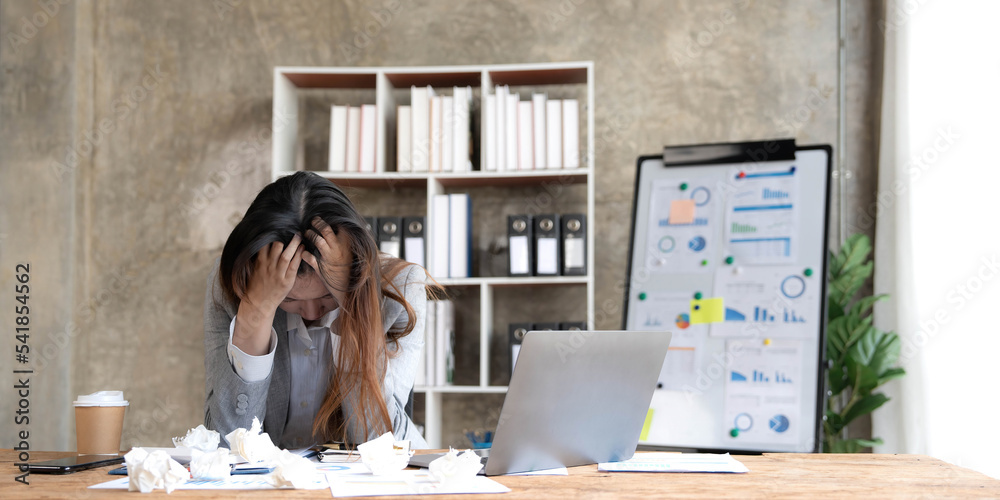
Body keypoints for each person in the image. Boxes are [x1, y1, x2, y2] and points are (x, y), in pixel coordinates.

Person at [203, 171, 437, 449]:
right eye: (289, 299)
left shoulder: (401, 288)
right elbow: (224, 445)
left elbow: (382, 445)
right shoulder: (236, 286)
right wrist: (257, 311)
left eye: (327, 297)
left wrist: (353, 302)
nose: (313, 313)